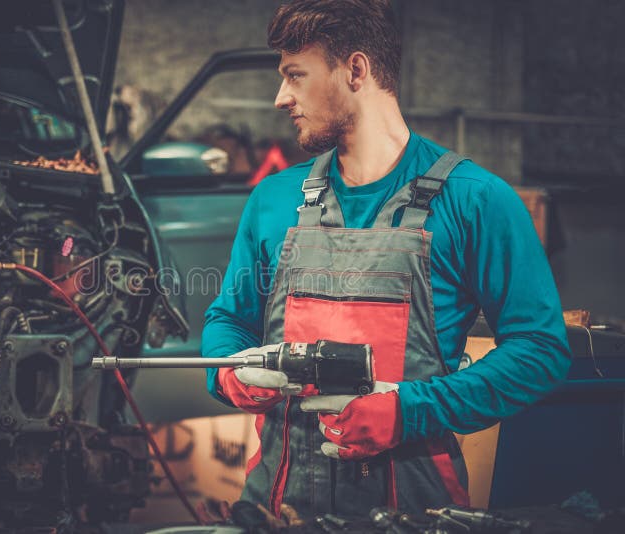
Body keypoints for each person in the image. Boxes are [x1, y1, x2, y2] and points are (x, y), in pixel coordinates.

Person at [200, 0, 571, 519]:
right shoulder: (273, 200)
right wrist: (231, 373)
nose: (281, 97)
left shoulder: (476, 201)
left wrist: (409, 411)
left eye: (295, 75)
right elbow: (228, 319)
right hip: (277, 509)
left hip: (414, 515)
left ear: (356, 70)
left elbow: (539, 349)